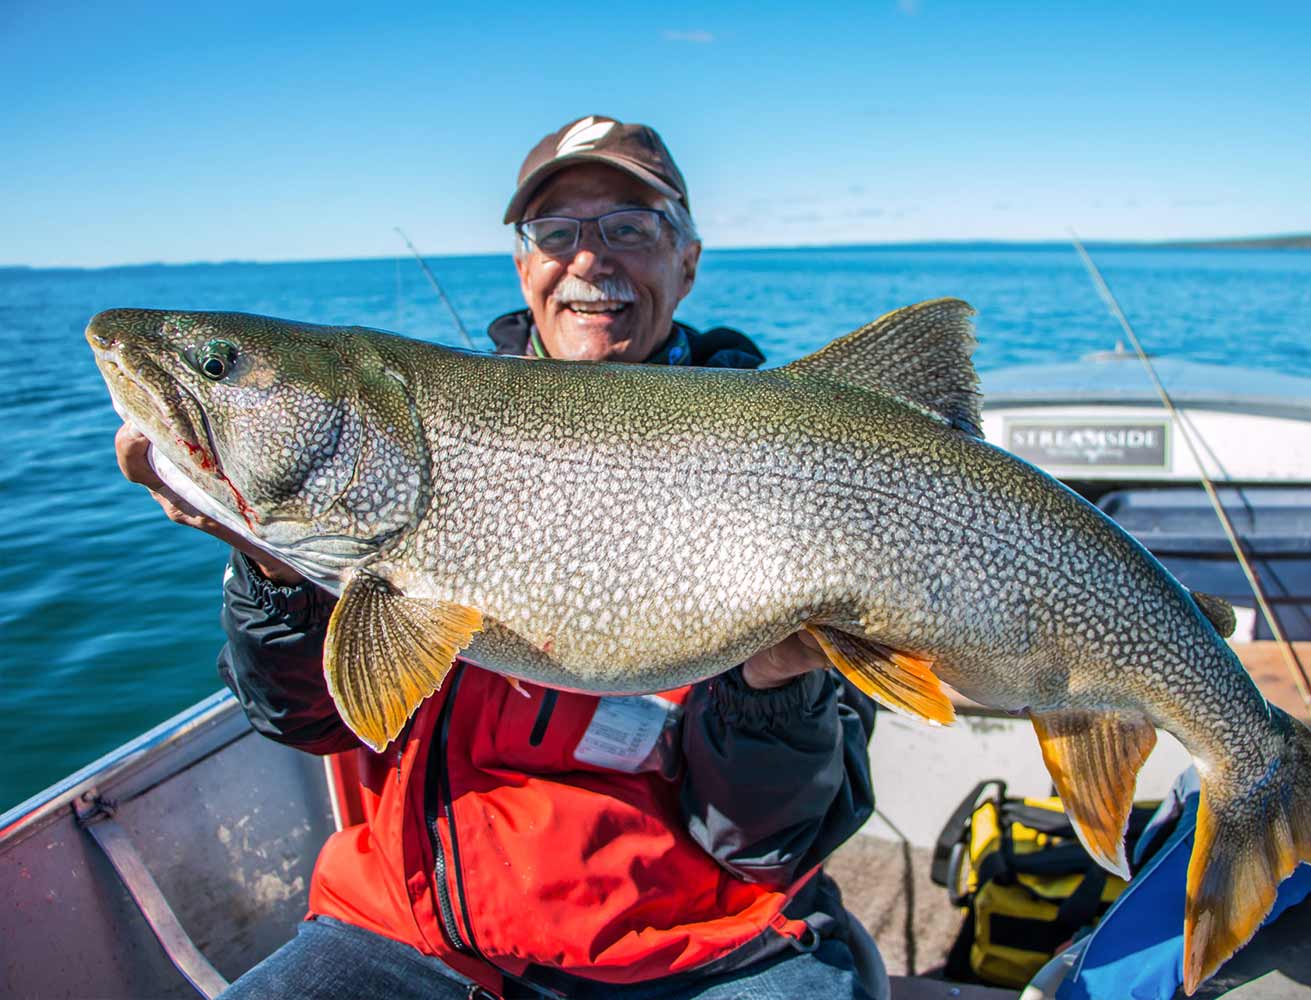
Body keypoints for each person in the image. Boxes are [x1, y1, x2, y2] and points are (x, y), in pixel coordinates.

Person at [114, 115, 884, 1000]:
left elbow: (766, 841)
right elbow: (311, 725)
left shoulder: (802, 461)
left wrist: (776, 683)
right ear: (524, 265)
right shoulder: (396, 447)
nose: (589, 259)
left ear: (689, 260)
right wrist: (275, 572)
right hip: (412, 933)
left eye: (629, 228)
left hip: (704, 949)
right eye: (556, 233)